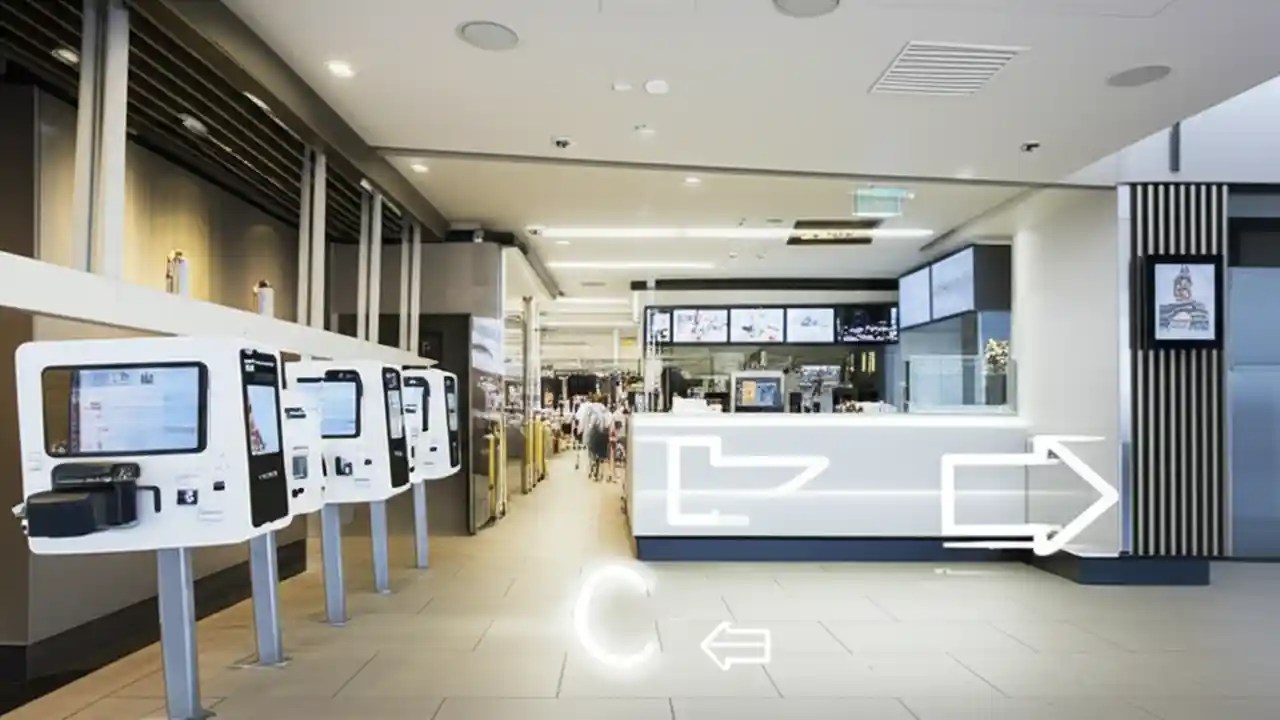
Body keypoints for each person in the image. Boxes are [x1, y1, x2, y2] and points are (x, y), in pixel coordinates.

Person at [581, 394, 612, 481]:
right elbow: (609, 422)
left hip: (593, 433)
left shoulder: (590, 409)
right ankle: (600, 473)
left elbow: (586, 422)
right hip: (603, 434)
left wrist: (585, 433)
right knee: (601, 455)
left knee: (592, 453)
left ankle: (592, 470)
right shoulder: (605, 410)